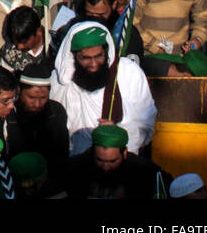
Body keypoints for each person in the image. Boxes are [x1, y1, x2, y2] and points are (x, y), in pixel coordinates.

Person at [50, 20, 157, 154]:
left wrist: (117, 132)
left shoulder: (128, 72)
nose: (93, 64)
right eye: (86, 58)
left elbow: (145, 122)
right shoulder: (59, 81)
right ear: (73, 56)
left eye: (99, 56)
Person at [134, 0, 207, 77]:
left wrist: (197, 39)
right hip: (148, 55)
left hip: (181, 56)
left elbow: (203, 16)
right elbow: (133, 22)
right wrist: (154, 46)